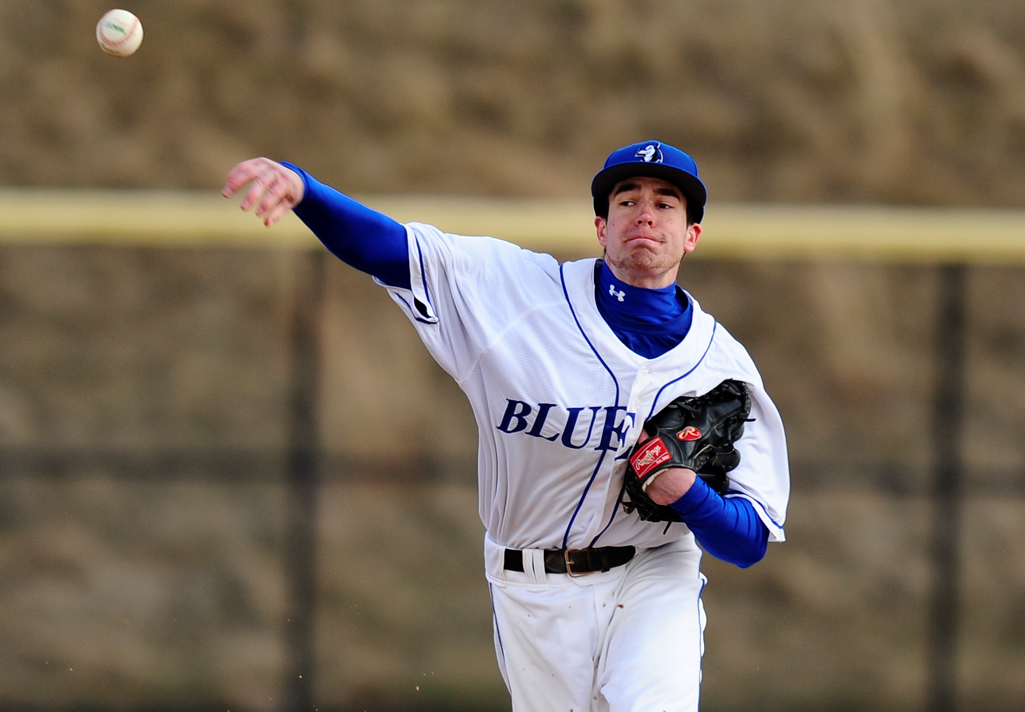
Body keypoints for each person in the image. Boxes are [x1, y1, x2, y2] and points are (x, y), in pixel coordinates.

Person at [223, 140, 789, 711]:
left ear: (691, 234)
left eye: (667, 203)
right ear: (601, 226)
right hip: (531, 587)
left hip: (653, 573)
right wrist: (306, 192)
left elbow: (749, 542)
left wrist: (689, 495)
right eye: (627, 199)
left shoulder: (722, 368)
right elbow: (395, 251)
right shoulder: (517, 295)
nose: (645, 212)